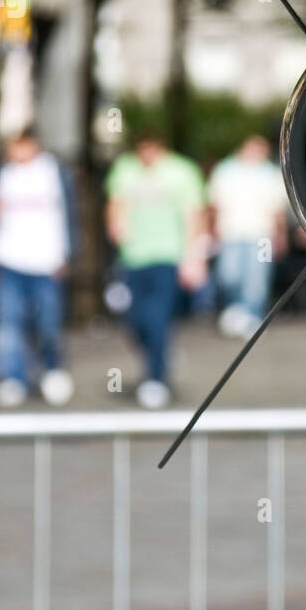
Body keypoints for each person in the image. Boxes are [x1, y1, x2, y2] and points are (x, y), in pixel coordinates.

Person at [105, 128, 206, 409]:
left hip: (167, 255)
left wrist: (192, 256)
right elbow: (116, 204)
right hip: (134, 256)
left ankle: (155, 378)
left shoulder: (181, 172)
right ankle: (158, 353)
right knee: (134, 318)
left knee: (158, 315)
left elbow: (193, 214)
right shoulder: (125, 169)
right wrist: (116, 227)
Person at [0, 128, 77, 408]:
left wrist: (68, 254)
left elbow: (71, 215)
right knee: (8, 323)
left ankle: (52, 369)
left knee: (48, 321)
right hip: (9, 260)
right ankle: (12, 377)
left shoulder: (54, 172)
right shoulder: (1, 173)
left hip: (46, 261)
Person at [207, 135, 289, 338]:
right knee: (229, 275)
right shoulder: (225, 172)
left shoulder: (270, 174)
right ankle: (237, 311)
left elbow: (277, 210)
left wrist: (280, 235)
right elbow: (214, 204)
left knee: (257, 280)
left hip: (262, 235)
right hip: (231, 233)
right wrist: (211, 230)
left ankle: (252, 318)